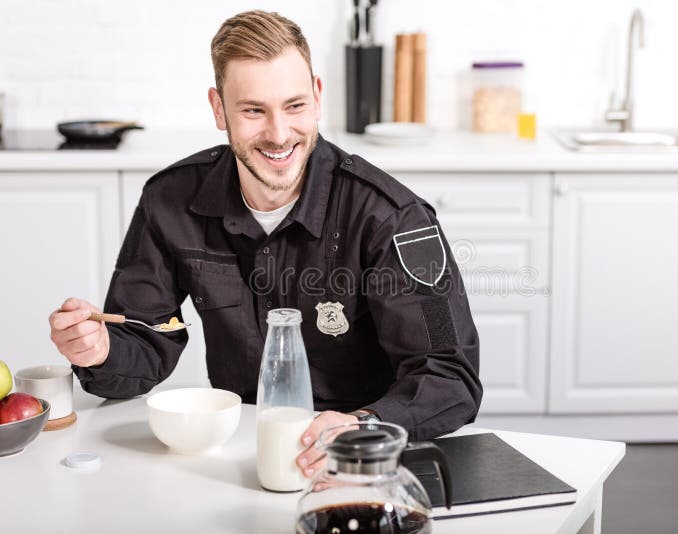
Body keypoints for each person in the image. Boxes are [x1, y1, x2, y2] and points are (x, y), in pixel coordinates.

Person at [48, 10, 480, 478]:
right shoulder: (169, 201)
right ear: (219, 109)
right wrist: (99, 349)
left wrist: (365, 424)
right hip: (232, 454)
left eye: (294, 106)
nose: (278, 134)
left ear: (317, 96)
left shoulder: (395, 217)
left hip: (359, 458)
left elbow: (449, 376)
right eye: (254, 110)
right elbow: (145, 344)